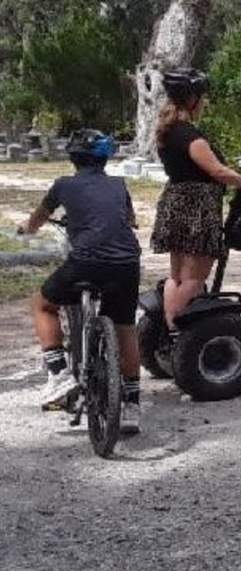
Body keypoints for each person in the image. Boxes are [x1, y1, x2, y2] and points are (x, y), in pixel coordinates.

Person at [21, 130, 143, 433]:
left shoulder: (63, 185)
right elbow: (130, 219)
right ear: (105, 160)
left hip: (86, 261)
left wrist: (28, 228)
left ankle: (59, 374)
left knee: (42, 305)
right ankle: (131, 405)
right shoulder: (118, 184)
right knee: (125, 327)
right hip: (126, 263)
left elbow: (39, 217)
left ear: (72, 158)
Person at [150, 68, 241, 333]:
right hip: (197, 209)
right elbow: (217, 171)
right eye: (202, 97)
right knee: (195, 277)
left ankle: (170, 333)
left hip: (174, 203)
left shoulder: (167, 131)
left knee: (176, 276)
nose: (205, 103)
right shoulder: (190, 136)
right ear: (192, 100)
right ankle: (178, 332)